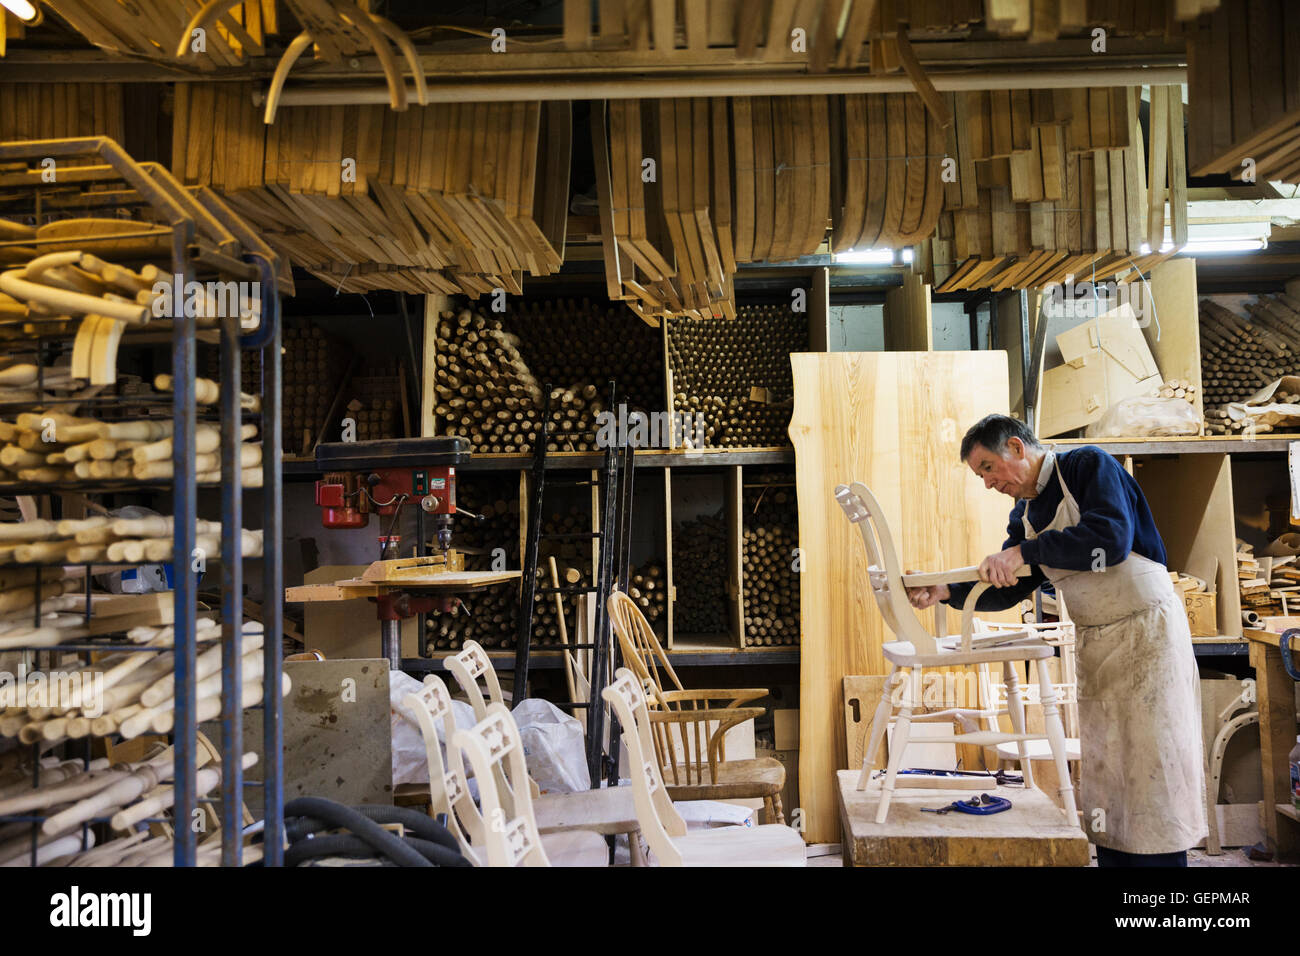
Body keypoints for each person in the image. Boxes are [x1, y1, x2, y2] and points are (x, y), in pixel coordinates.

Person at [905, 414, 1206, 867]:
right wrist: (946, 592)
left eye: (988, 467)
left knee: (1154, 771)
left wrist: (1025, 552)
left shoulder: (1087, 466)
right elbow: (1010, 584)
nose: (987, 483)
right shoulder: (1025, 513)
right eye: (979, 475)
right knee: (1110, 774)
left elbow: (1111, 538)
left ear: (1016, 447)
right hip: (1098, 641)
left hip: (1147, 631)